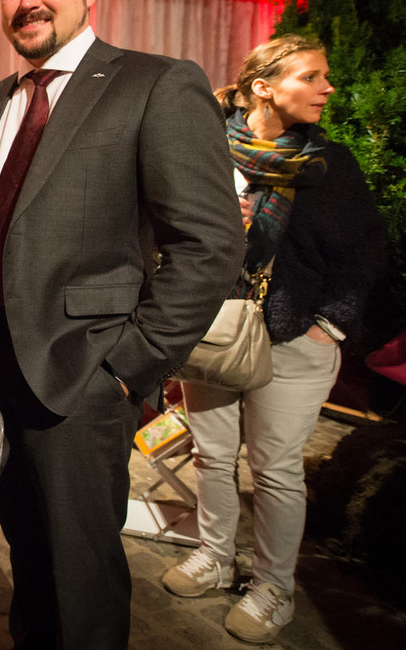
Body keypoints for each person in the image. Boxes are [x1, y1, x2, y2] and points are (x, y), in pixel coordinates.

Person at [0, 0, 244, 649]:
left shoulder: (155, 84)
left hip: (83, 378)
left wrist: (124, 370)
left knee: (81, 576)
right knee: (28, 554)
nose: (28, 1)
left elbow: (208, 246)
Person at [162, 34, 384, 644]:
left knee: (277, 471)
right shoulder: (207, 150)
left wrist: (330, 325)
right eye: (312, 77)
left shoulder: (329, 165)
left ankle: (273, 587)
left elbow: (366, 251)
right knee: (211, 454)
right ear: (263, 86)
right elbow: (159, 226)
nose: (327, 88)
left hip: (294, 339)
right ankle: (214, 556)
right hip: (213, 330)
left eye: (325, 77)